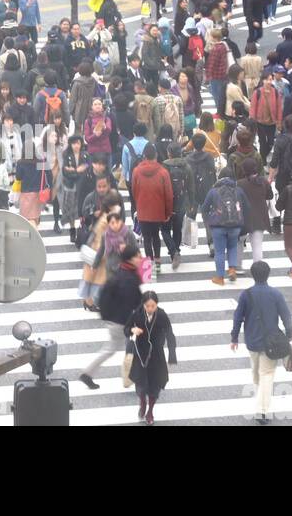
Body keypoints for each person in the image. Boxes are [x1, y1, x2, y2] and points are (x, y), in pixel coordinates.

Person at [230, 261, 292, 425]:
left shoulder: (246, 295)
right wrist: (289, 333)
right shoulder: (276, 294)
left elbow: (238, 317)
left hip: (252, 340)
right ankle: (261, 410)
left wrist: (234, 337)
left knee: (257, 373)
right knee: (266, 374)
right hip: (270, 342)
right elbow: (286, 315)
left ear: (252, 274)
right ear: (268, 274)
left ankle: (261, 402)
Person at [80, 244, 144, 391]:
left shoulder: (122, 271)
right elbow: (133, 301)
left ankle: (88, 373)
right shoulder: (128, 277)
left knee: (112, 348)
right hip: (121, 321)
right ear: (130, 258)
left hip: (115, 319)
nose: (140, 259)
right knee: (136, 346)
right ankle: (135, 377)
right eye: (137, 256)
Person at [125, 291, 177, 426]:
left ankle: (150, 411)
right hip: (141, 354)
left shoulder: (161, 315)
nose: (150, 309)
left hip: (157, 355)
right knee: (141, 384)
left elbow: (170, 334)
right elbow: (126, 328)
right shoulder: (137, 314)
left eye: (153, 306)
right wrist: (132, 330)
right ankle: (142, 403)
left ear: (156, 305)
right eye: (147, 306)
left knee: (155, 385)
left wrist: (172, 355)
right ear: (143, 305)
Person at [202, 167, 251, 285]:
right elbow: (248, 207)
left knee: (219, 251)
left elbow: (204, 208)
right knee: (233, 247)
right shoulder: (238, 190)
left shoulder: (213, 191)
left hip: (218, 226)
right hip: (235, 226)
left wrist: (209, 220)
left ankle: (220, 277)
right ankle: (232, 269)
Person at [131, 144, 173, 273]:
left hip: (143, 209)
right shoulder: (163, 172)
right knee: (155, 236)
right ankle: (158, 262)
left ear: (144, 156)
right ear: (156, 156)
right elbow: (168, 194)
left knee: (147, 238)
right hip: (158, 209)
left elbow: (134, 191)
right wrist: (168, 212)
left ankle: (149, 267)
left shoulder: (137, 171)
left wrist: (139, 204)